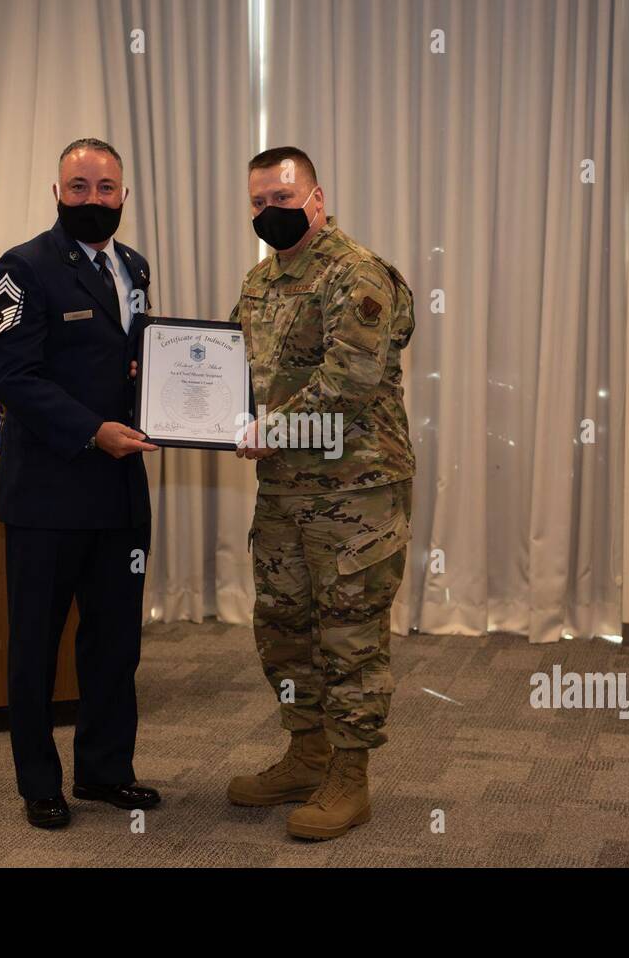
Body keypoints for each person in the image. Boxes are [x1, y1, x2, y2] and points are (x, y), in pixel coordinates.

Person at [227, 146, 416, 839]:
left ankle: (350, 774)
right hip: (282, 489)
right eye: (258, 203)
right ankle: (306, 751)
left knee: (349, 633)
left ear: (316, 197)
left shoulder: (355, 274)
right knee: (282, 628)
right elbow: (230, 373)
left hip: (357, 489)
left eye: (282, 199)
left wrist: (272, 426)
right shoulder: (258, 285)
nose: (269, 213)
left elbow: (351, 383)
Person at [0, 137, 160, 829]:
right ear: (56, 193)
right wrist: (94, 430)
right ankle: (39, 783)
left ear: (124, 195)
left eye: (106, 187)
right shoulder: (21, 268)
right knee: (35, 643)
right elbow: (12, 376)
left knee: (116, 642)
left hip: (119, 493)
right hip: (49, 495)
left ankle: (106, 770)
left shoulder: (134, 264)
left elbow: (135, 354)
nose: (93, 199)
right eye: (79, 187)